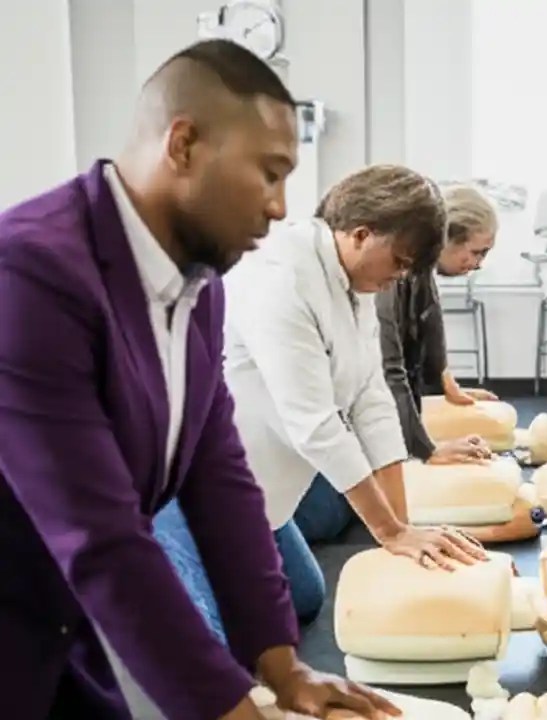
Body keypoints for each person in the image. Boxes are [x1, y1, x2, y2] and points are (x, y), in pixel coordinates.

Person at [0, 40, 398, 720]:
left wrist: (282, 665)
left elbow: (220, 478)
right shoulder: (31, 276)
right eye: (268, 174)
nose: (280, 208)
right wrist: (228, 704)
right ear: (182, 145)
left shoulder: (199, 290)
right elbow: (101, 537)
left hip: (61, 626)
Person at [221, 164, 488, 623]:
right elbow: (317, 425)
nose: (402, 278)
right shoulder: (280, 278)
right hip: (200, 492)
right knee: (233, 631)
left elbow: (371, 395)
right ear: (361, 234)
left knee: (302, 597)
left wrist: (403, 533)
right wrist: (389, 533)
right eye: (400, 262)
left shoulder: (352, 278)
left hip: (264, 494)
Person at [377, 184, 501, 462]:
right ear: (445, 238)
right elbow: (389, 370)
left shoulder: (420, 271)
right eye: (477, 252)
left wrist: (446, 385)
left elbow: (430, 321)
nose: (479, 263)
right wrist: (427, 451)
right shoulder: (390, 276)